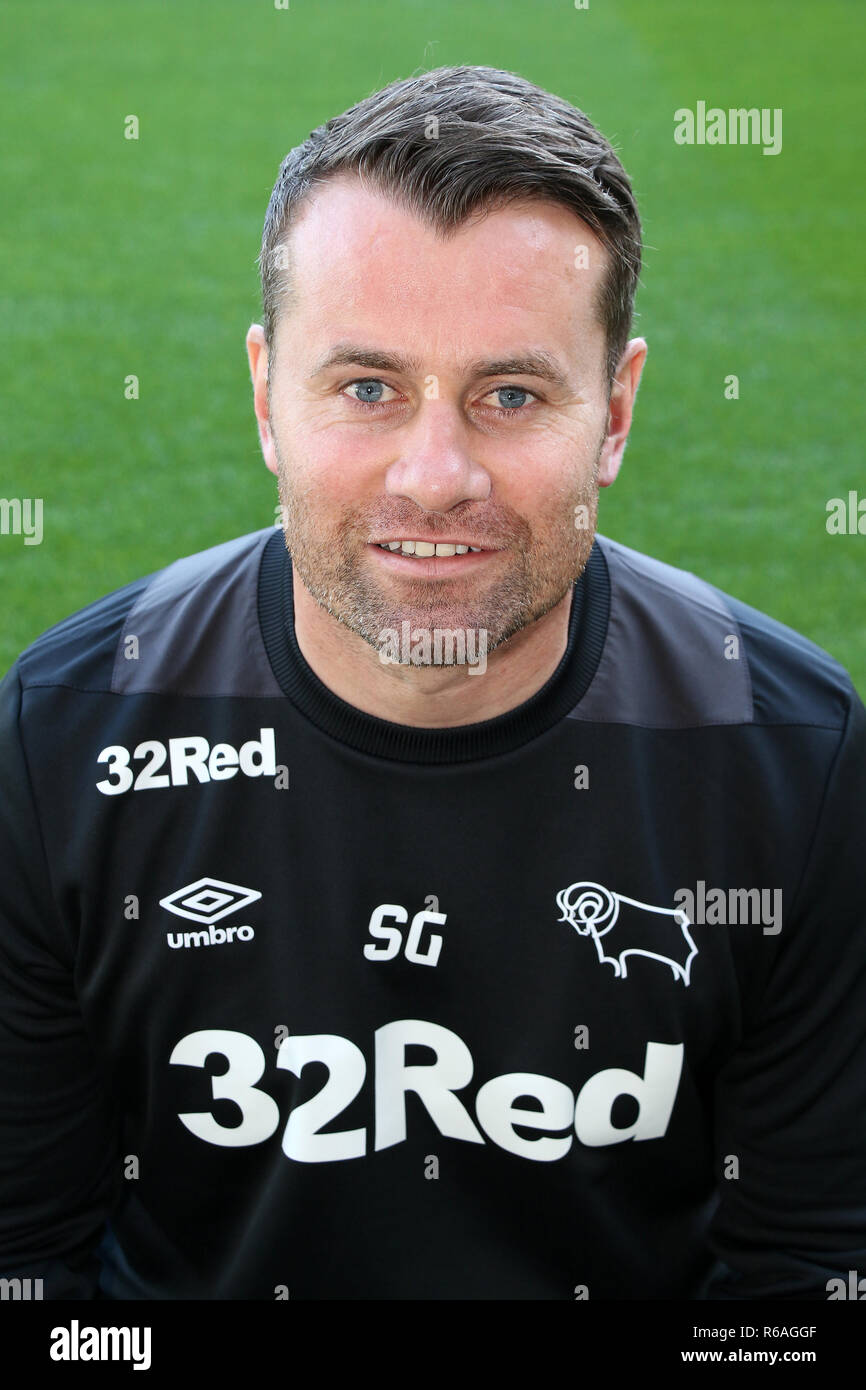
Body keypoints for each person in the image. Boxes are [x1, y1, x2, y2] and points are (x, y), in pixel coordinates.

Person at [1, 64, 864, 1302]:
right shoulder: (67, 731)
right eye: (367, 388)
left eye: (509, 395)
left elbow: (803, 1278)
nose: (435, 473)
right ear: (263, 399)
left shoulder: (787, 751)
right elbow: (26, 1263)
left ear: (614, 414)